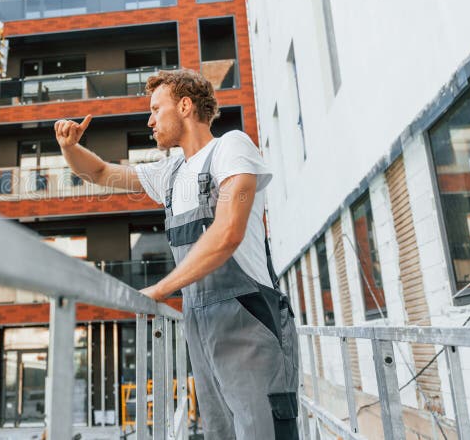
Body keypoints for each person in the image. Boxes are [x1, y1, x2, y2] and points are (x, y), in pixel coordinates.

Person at [54, 69, 299, 439]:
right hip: (200, 325)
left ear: (185, 106)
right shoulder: (169, 174)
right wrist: (70, 148)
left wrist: (157, 290)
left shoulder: (231, 148)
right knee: (221, 433)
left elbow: (228, 232)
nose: (149, 120)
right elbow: (101, 173)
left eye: (156, 109)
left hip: (249, 320)